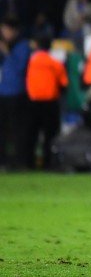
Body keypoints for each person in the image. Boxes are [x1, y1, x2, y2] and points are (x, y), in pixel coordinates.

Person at [25, 35, 67, 169]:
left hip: (33, 102)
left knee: (31, 134)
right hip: (50, 103)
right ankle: (49, 164)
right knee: (50, 135)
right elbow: (64, 84)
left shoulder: (31, 61)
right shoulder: (55, 62)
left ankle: (29, 163)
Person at [0, 19, 32, 170]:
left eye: (6, 30)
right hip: (3, 93)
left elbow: (20, 68)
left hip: (17, 93)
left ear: (14, 31)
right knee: (2, 130)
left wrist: (7, 52)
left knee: (18, 130)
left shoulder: (22, 46)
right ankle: (3, 161)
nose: (4, 33)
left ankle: (20, 161)